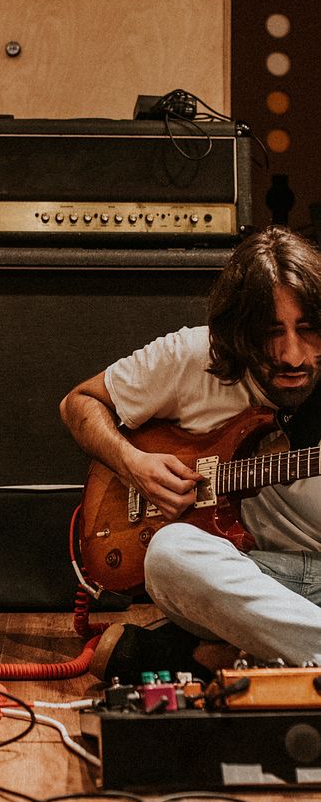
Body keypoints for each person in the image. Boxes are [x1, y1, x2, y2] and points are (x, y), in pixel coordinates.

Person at [59, 226, 321, 683]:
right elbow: (78, 404)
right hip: (236, 578)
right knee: (170, 555)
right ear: (237, 332)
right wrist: (134, 464)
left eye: (309, 329)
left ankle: (216, 652)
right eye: (269, 333)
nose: (293, 356)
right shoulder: (193, 355)